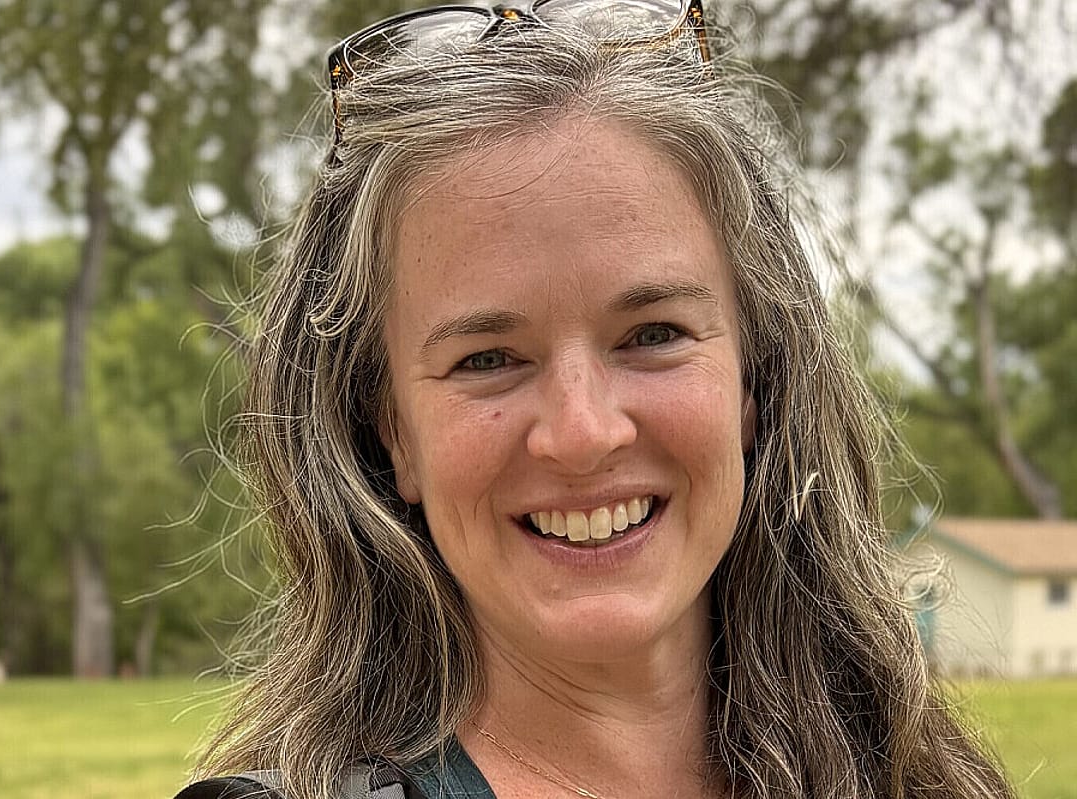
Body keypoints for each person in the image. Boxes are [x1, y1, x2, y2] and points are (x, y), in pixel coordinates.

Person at [181, 2, 1015, 798]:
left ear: (756, 378)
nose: (582, 434)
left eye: (652, 334)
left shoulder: (918, 776)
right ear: (393, 433)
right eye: (489, 358)